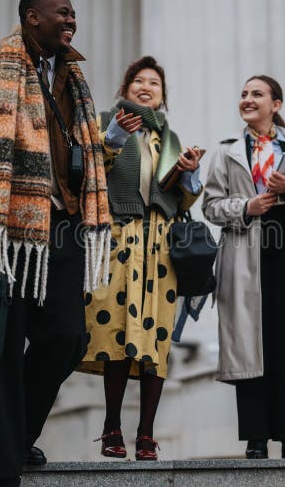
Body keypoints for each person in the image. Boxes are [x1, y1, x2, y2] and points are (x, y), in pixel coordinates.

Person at [0, 0, 111, 487]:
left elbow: (87, 149)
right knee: (1, 348)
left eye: (75, 13)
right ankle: (6, 471)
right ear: (32, 16)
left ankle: (11, 437)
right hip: (2, 229)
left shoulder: (73, 79)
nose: (72, 21)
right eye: (63, 13)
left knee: (67, 337)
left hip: (61, 229)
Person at [78, 56, 203, 461]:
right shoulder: (104, 123)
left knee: (157, 340)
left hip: (160, 245)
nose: (146, 87)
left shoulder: (168, 139)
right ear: (125, 88)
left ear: (162, 95)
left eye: (154, 83)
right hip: (119, 239)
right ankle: (112, 426)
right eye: (139, 81)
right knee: (116, 330)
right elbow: (88, 173)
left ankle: (146, 433)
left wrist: (189, 174)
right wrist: (111, 139)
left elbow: (177, 199)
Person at [202, 75, 285, 459]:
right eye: (243, 93)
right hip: (245, 254)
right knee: (252, 343)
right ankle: (256, 438)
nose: (247, 99)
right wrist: (246, 206)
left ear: (276, 104)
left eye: (256, 94)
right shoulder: (226, 152)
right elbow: (209, 206)